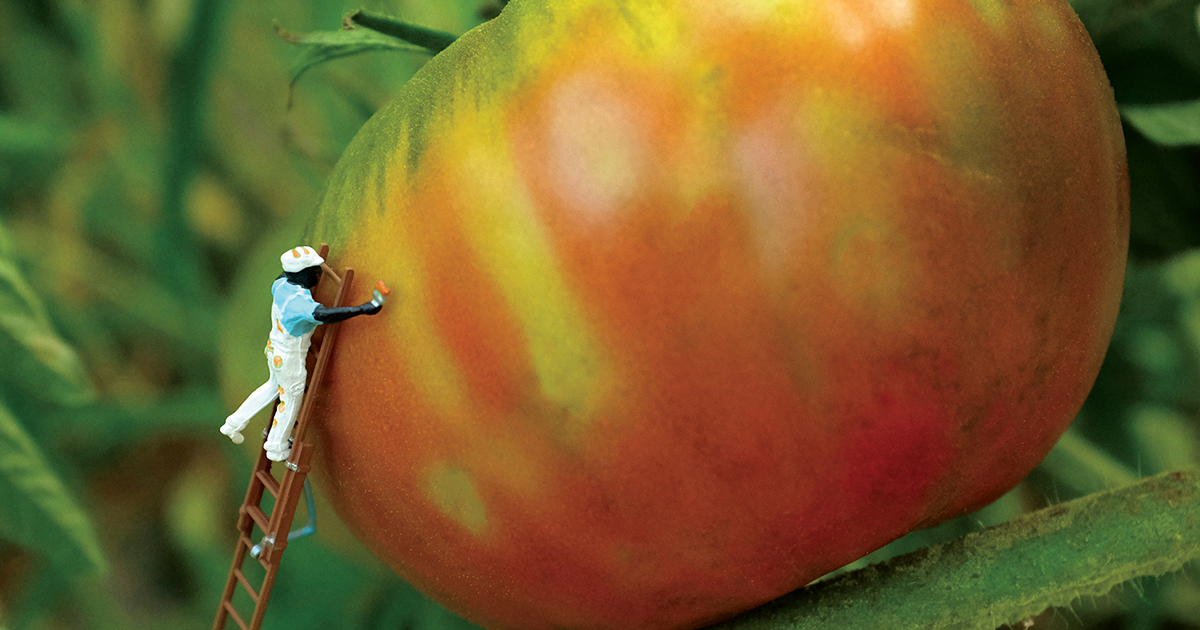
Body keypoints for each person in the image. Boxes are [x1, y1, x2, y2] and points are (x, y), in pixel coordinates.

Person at [220, 246, 383, 461]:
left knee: (271, 387)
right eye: (315, 270)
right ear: (304, 274)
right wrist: (363, 308)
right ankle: (276, 446)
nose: (319, 273)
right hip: (289, 356)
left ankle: (233, 424)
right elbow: (325, 314)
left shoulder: (280, 284)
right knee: (291, 398)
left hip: (274, 348)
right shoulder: (299, 304)